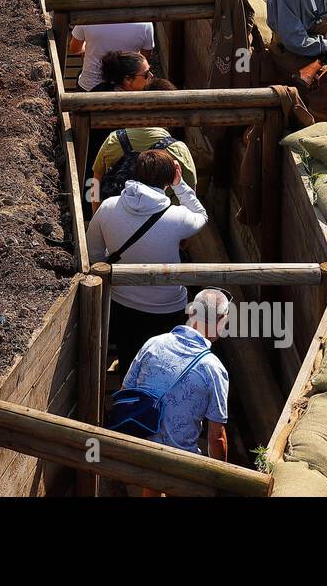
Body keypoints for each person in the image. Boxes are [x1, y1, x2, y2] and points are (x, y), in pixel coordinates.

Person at [88, 148, 210, 374]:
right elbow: (201, 215)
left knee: (129, 362)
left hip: (122, 303)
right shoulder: (178, 216)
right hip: (168, 307)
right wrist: (180, 185)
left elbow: (94, 255)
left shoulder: (107, 207)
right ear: (170, 177)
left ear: (135, 172)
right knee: (165, 367)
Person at [120, 288, 230, 460]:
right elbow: (217, 438)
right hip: (179, 462)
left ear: (191, 312)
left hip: (138, 449)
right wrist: (221, 480)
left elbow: (125, 392)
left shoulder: (153, 343)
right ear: (222, 320)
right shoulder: (214, 369)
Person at [67, 0, 153, 90]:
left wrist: (87, 48)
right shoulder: (145, 21)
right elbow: (144, 59)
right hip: (126, 88)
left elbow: (74, 48)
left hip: (90, 86)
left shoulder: (89, 13)